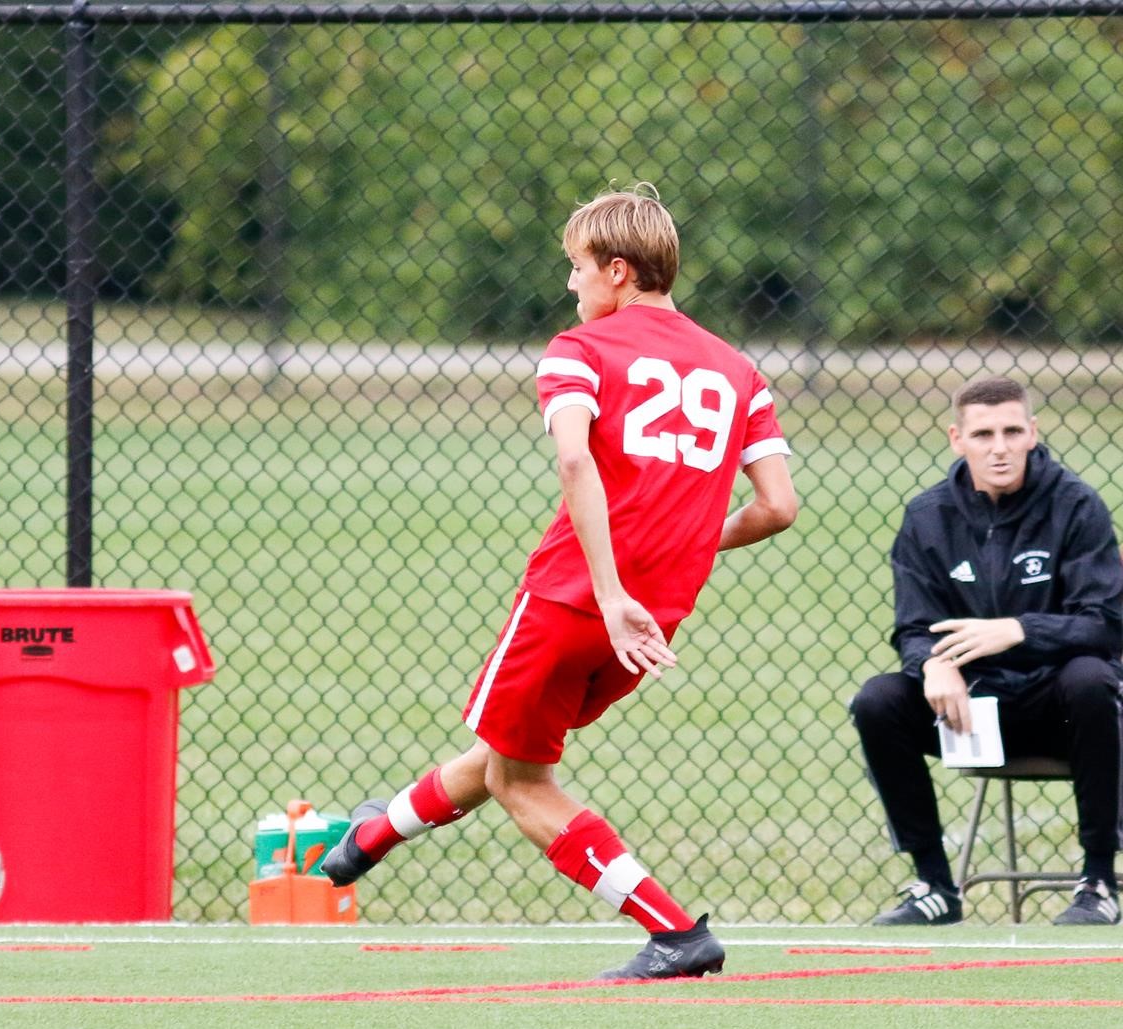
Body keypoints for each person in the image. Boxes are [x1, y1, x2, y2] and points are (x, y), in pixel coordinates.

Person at [321, 183, 797, 979]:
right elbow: (778, 506)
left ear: (617, 270)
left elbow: (576, 458)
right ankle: (370, 835)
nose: (570, 283)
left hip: (577, 598)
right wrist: (675, 550)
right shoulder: (739, 369)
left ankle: (675, 932)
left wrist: (609, 593)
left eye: (577, 266)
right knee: (509, 747)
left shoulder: (582, 349)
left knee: (520, 778)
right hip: (654, 620)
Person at [851, 376, 1123, 927]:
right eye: (983, 434)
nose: (999, 447)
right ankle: (935, 886)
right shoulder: (928, 516)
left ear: (1032, 433)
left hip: (1061, 712)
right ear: (958, 439)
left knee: (1091, 679)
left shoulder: (1076, 506)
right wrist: (933, 664)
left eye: (1011, 432)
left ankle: (1099, 880)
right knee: (877, 701)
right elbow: (913, 627)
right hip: (971, 712)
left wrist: (1019, 630)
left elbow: (1106, 625)